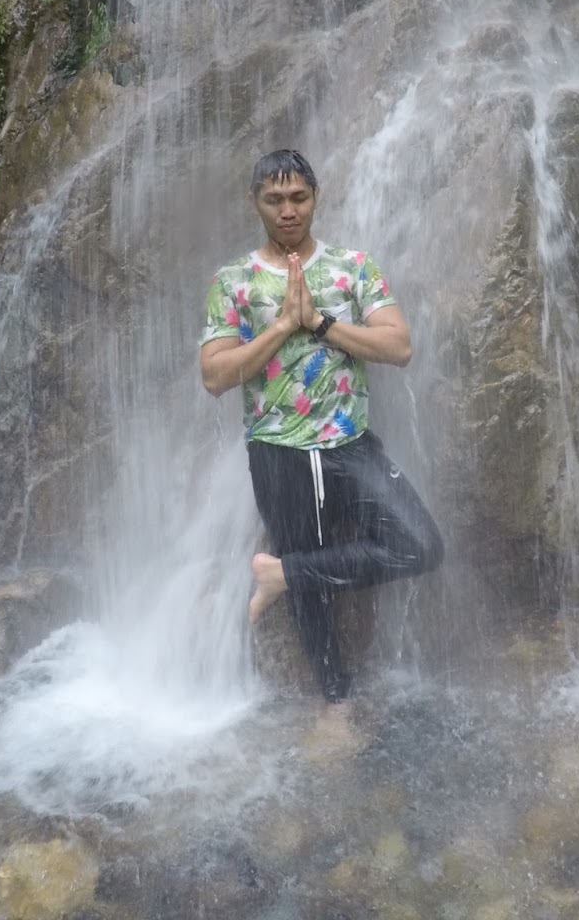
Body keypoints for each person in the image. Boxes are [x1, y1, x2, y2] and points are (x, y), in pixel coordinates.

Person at [199, 149, 443, 726]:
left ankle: (279, 575)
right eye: (274, 200)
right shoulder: (232, 281)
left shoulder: (353, 267)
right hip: (278, 451)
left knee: (421, 545)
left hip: (350, 444)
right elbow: (214, 376)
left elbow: (399, 348)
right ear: (255, 202)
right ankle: (337, 701)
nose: (288, 211)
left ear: (316, 196)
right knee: (314, 584)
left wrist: (321, 323)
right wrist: (283, 325)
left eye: (299, 198)